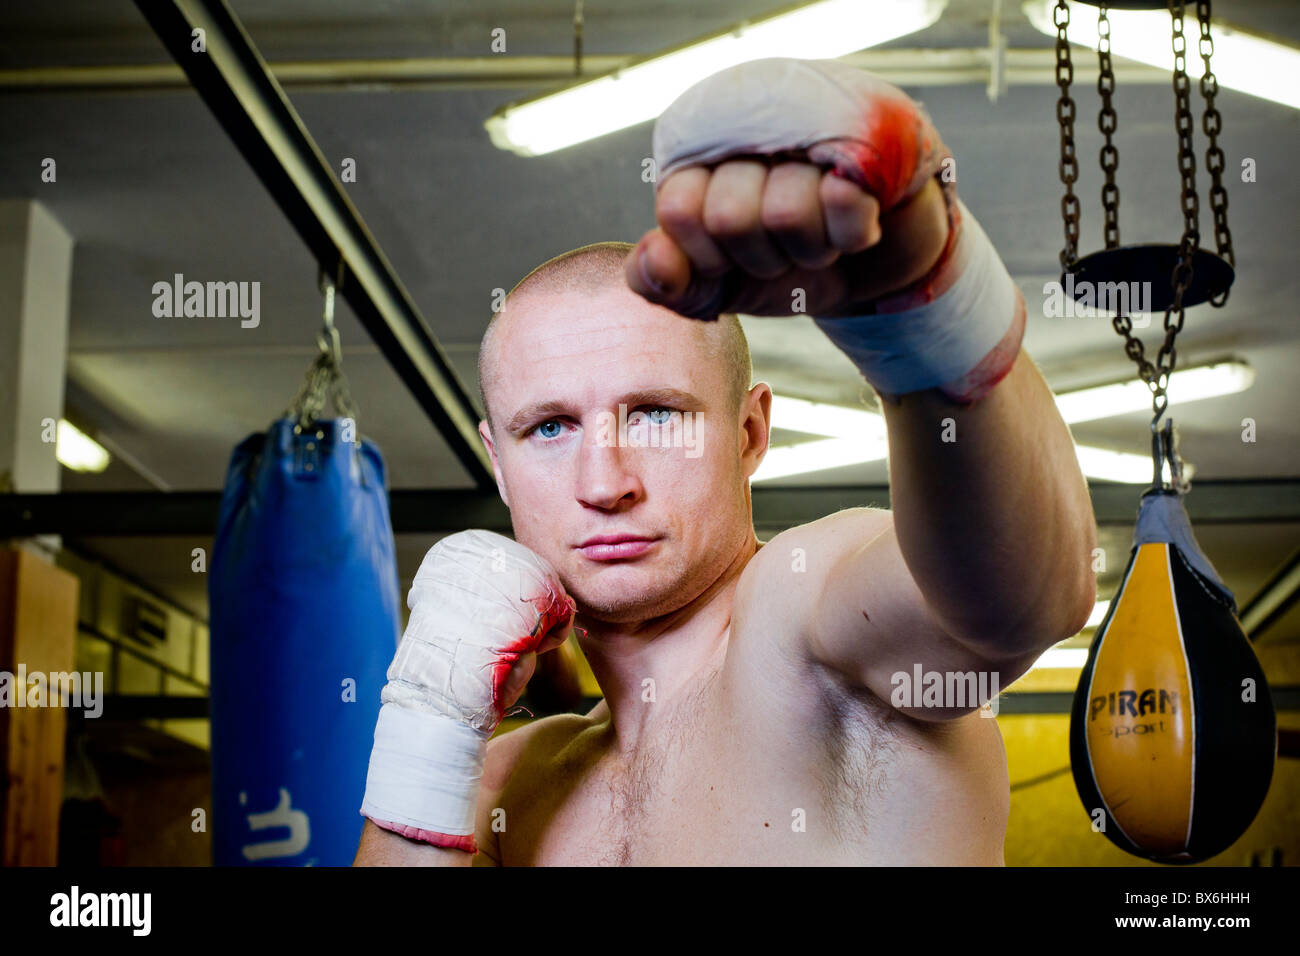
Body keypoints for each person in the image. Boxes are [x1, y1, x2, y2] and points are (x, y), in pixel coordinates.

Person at [354, 58, 1096, 866]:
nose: (605, 484)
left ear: (750, 433)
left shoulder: (804, 627)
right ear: (497, 462)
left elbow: (1016, 607)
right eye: (550, 429)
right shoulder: (510, 785)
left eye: (658, 415)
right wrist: (427, 725)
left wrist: (931, 318)